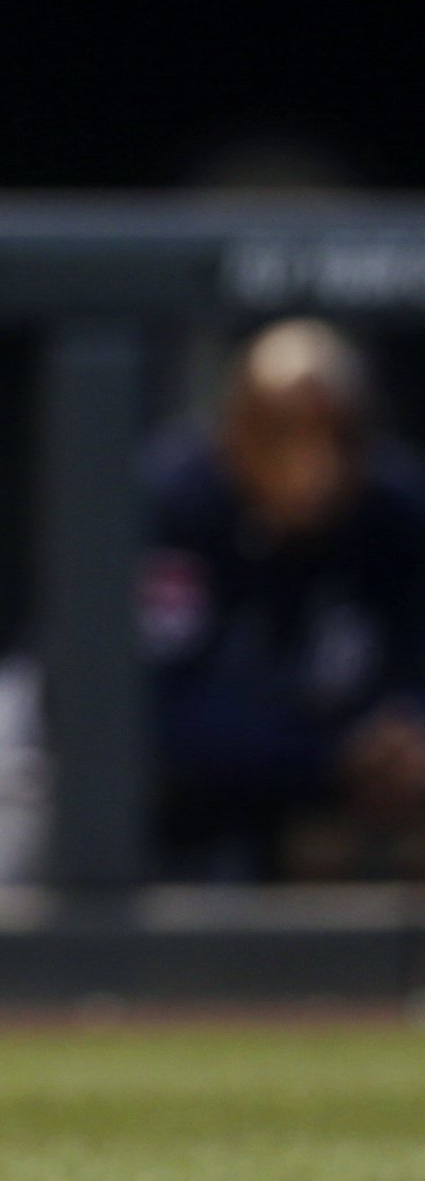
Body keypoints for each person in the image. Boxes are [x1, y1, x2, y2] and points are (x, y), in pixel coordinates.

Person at [148, 319, 425, 879]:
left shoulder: (396, 511)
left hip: (321, 792)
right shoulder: (169, 505)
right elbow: (146, 715)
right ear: (234, 433)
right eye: (283, 435)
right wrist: (328, 756)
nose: (315, 470)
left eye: (340, 438)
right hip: (148, 804)